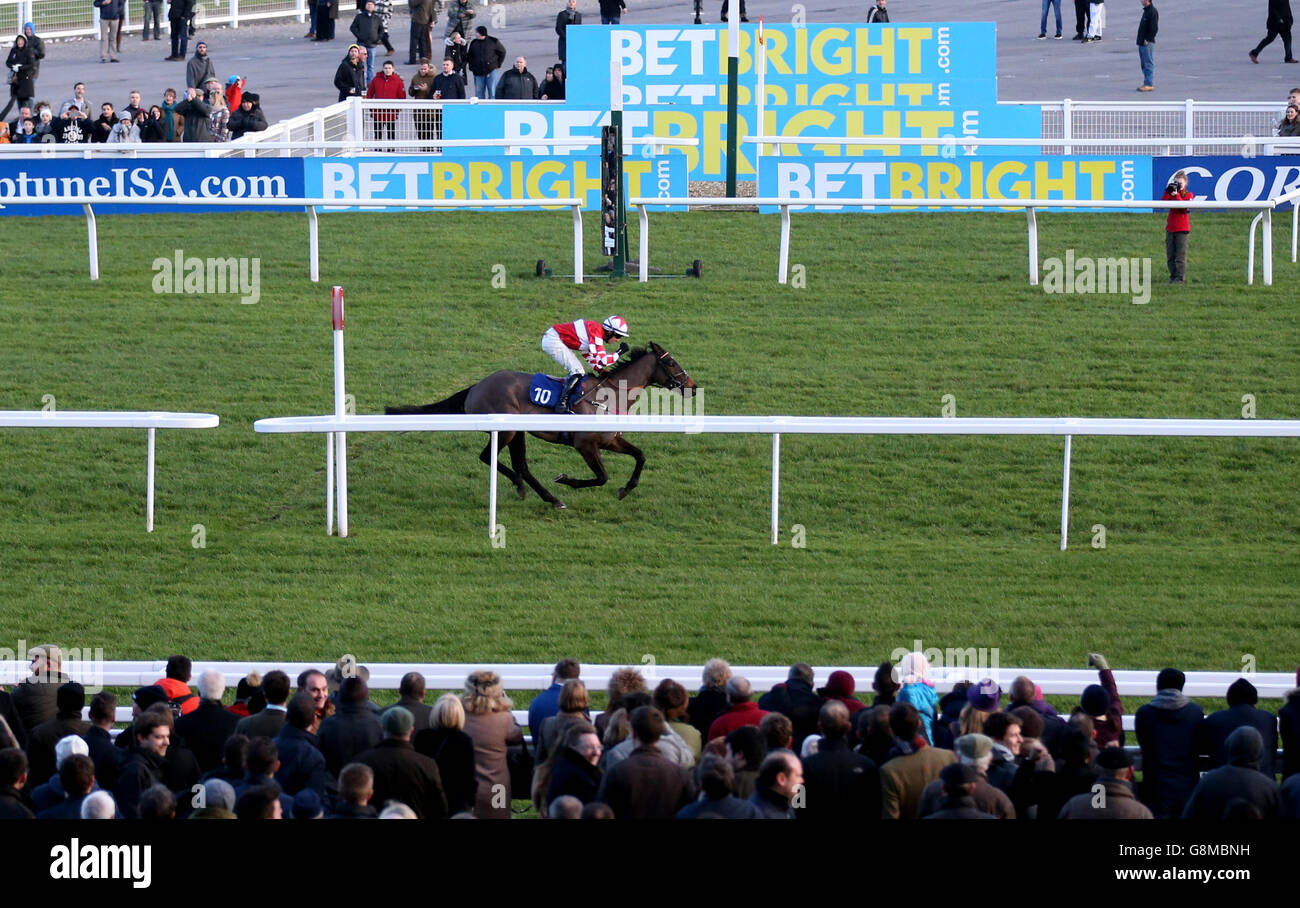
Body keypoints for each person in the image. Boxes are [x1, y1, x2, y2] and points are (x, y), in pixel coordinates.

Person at [1135, 667, 1204, 817]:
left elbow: (1144, 744)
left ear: (1158, 686)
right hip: (1187, 786)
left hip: (1155, 786)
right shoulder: (1195, 712)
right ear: (1181, 687)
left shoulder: (1144, 713)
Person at [461, 670, 524, 819]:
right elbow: (517, 735)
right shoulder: (504, 719)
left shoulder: (460, 715)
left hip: (466, 786)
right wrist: (506, 708)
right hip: (497, 787)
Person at [541, 314, 630, 412]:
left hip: (553, 338)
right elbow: (603, 360)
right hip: (553, 340)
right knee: (578, 371)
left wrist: (600, 370)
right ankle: (561, 405)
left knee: (578, 370)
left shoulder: (595, 331)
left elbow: (588, 355)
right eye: (618, 335)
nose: (618, 340)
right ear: (609, 332)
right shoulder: (596, 332)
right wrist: (619, 352)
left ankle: (566, 400)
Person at [412, 693, 476, 815]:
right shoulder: (464, 741)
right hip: (457, 804)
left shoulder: (423, 737)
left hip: (429, 801)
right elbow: (470, 778)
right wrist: (470, 802)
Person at [1161, 170, 1193, 284]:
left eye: (1180, 183)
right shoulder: (1172, 193)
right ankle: (1173, 276)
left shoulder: (1188, 195)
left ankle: (1180, 279)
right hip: (1170, 228)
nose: (1178, 185)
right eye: (1176, 183)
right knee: (1170, 256)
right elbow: (1162, 204)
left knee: (1180, 256)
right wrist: (1168, 191)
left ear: (1185, 184)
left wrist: (1177, 194)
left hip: (1182, 230)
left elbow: (1184, 208)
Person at [367, 59, 406, 145]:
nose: (387, 70)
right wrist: (371, 109)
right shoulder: (376, 79)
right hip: (378, 113)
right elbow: (369, 94)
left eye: (389, 68)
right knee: (377, 135)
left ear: (393, 69)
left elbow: (402, 97)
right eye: (385, 68)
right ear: (383, 69)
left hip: (391, 113)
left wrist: (397, 110)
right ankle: (378, 151)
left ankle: (391, 152)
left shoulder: (398, 81)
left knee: (391, 135)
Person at [2, 35, 36, 123]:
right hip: (16, 80)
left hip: (25, 81)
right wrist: (13, 66)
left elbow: (31, 64)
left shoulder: (28, 51)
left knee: (25, 104)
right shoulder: (14, 50)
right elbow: (8, 62)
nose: (20, 42)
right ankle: (21, 120)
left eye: (21, 40)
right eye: (18, 40)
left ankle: (28, 121)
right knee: (15, 101)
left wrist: (20, 67)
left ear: (24, 41)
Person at [467, 25, 506, 99]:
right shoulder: (474, 42)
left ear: (480, 33)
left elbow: (502, 52)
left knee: (493, 92)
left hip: (491, 71)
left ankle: (493, 108)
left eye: (476, 32)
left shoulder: (494, 41)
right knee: (479, 93)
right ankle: (480, 109)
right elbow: (470, 56)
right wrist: (472, 67)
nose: (475, 34)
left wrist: (498, 64)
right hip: (478, 72)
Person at [351, 0, 383, 84]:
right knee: (359, 65)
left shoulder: (377, 18)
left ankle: (370, 82)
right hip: (361, 44)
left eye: (371, 5)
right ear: (365, 6)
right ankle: (358, 82)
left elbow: (382, 30)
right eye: (368, 4)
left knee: (370, 66)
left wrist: (377, 38)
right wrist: (359, 35)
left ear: (374, 6)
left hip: (372, 45)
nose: (369, 6)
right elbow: (353, 27)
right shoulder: (359, 17)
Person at [1137, 0, 1158, 91]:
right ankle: (1146, 82)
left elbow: (1154, 28)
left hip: (1147, 43)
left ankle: (1149, 84)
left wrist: (1148, 39)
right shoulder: (1146, 11)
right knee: (1144, 64)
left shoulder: (1152, 11)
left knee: (1148, 63)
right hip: (1142, 42)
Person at [556, 0, 581, 64]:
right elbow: (558, 29)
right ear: (567, 3)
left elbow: (579, 29)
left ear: (576, 4)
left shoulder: (578, 15)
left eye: (573, 2)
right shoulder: (562, 14)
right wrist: (566, 37)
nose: (571, 3)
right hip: (564, 43)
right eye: (570, 1)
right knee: (565, 64)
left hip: (575, 44)